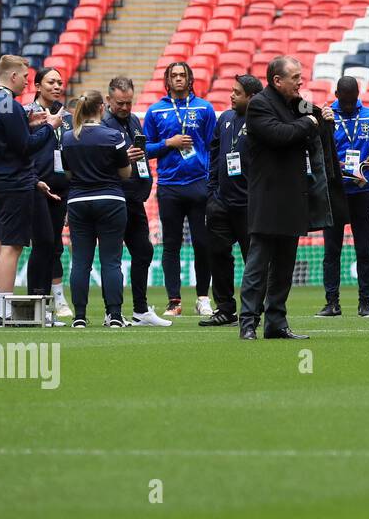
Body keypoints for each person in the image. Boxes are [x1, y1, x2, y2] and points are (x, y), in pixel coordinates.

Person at [238, 56, 336, 341]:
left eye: (300, 76)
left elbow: (315, 118)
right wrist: (309, 122)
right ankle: (247, 323)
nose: (300, 82)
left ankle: (276, 323)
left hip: (294, 198)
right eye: (295, 77)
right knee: (257, 265)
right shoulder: (259, 105)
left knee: (283, 268)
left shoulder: (297, 103)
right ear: (277, 80)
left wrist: (324, 119)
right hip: (268, 199)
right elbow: (279, 134)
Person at [61, 91, 166, 328]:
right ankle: (115, 315)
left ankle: (79, 315)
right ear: (101, 108)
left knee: (80, 262)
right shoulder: (113, 136)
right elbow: (125, 173)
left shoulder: (67, 138)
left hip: (78, 201)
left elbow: (67, 174)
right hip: (110, 200)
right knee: (111, 261)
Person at [0, 55, 62, 325]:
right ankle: (3, 309)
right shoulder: (9, 105)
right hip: (14, 182)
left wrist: (31, 125)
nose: (28, 81)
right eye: (25, 76)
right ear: (13, 76)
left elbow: (11, 138)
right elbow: (25, 147)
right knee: (12, 247)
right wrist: (49, 127)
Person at [143, 61, 216, 317]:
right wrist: (168, 143)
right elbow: (145, 149)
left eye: (182, 75)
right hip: (169, 187)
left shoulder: (204, 108)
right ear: (167, 79)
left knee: (202, 243)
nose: (178, 79)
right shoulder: (155, 111)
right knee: (171, 245)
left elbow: (211, 146)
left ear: (190, 78)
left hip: (198, 184)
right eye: (173, 75)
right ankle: (174, 301)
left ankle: (203, 298)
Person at [317, 76, 369, 319]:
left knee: (364, 250)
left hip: (362, 191)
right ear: (336, 94)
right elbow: (317, 152)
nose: (348, 106)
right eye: (344, 101)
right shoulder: (325, 117)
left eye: (352, 100)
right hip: (335, 192)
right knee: (332, 251)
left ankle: (365, 303)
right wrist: (331, 164)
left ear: (358, 94)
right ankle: (331, 303)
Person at [200, 74, 261, 328]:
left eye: (237, 92)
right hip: (221, 202)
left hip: (251, 204)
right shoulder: (224, 118)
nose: (231, 95)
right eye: (232, 91)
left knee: (254, 261)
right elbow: (214, 153)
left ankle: (254, 310)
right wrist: (212, 190)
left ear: (252, 97)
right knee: (218, 255)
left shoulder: (262, 122)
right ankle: (225, 309)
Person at [103, 77, 156, 325]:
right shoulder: (103, 126)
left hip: (134, 198)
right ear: (108, 100)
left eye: (128, 102)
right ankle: (111, 312)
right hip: (113, 198)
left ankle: (141, 311)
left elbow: (142, 155)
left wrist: (146, 182)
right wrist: (123, 158)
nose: (125, 107)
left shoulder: (134, 120)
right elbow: (97, 165)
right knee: (112, 257)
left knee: (144, 251)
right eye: (120, 103)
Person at [26, 66, 72, 319]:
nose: (57, 86)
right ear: (37, 86)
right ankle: (37, 302)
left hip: (61, 188)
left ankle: (55, 299)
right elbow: (23, 151)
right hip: (37, 187)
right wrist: (33, 180)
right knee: (42, 245)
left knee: (55, 246)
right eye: (51, 82)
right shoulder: (26, 114)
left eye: (59, 82)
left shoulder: (67, 116)